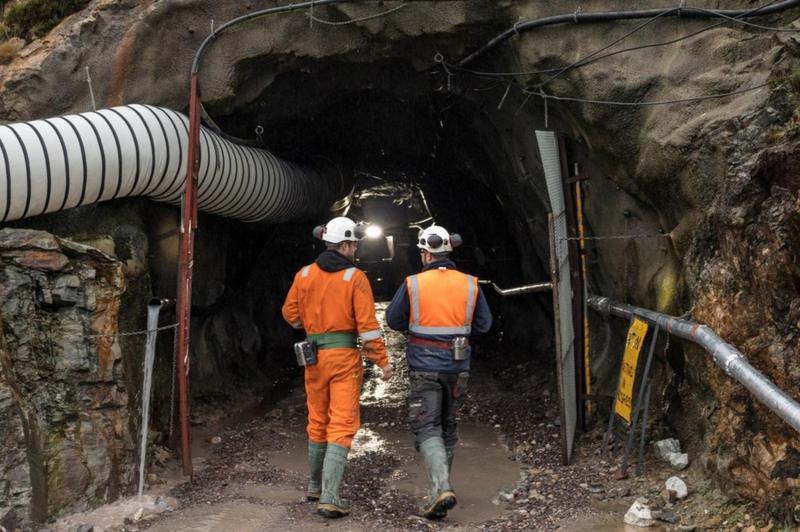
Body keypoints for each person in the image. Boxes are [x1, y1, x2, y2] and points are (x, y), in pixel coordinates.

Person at [282, 216, 392, 519]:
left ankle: (315, 485)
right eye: (353, 244)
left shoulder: (303, 275)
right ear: (343, 244)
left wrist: (314, 327)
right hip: (343, 357)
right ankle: (330, 497)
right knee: (341, 423)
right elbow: (368, 327)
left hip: (313, 357)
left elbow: (290, 315)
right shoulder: (355, 277)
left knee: (317, 420)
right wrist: (381, 360)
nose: (355, 249)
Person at [385, 225, 492, 519]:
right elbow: (484, 325)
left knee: (427, 427)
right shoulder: (470, 283)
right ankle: (438, 494)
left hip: (424, 367)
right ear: (449, 250)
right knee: (447, 426)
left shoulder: (413, 284)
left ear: (425, 254)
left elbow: (393, 320)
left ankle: (442, 486)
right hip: (457, 368)